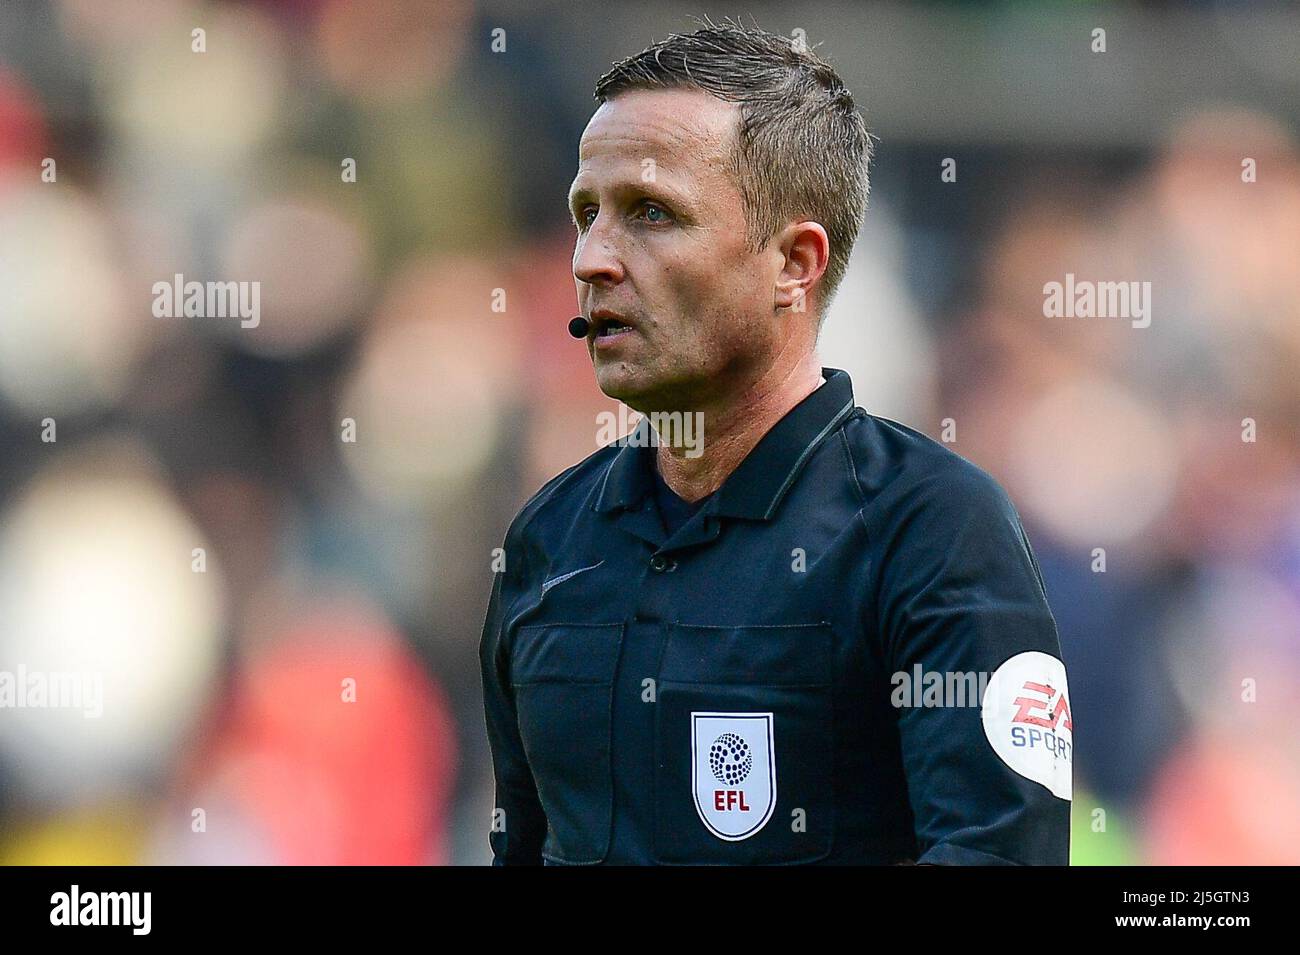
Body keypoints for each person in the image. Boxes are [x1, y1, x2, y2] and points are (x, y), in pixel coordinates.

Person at [480, 18, 1071, 865]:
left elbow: (1002, 856)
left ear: (794, 263)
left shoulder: (934, 529)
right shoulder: (549, 540)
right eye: (586, 213)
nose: (592, 258)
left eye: (651, 213)